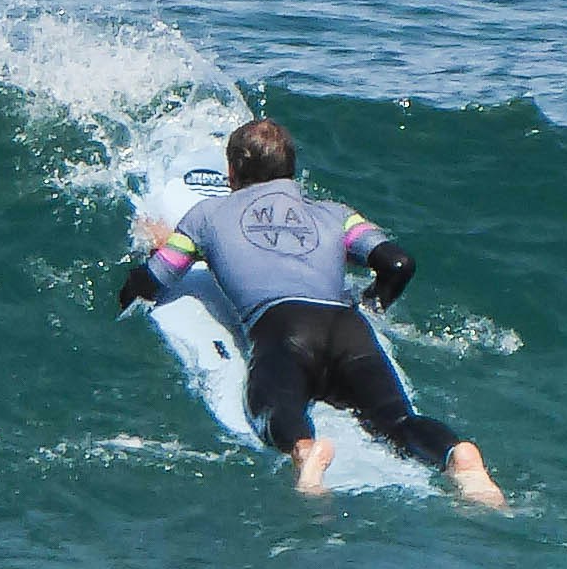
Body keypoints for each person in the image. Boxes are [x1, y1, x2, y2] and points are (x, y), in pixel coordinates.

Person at [117, 118, 506, 506]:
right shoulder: (337, 214)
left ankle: (306, 451)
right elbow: (398, 263)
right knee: (398, 423)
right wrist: (371, 307)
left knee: (274, 409)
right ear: (291, 170)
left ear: (231, 172)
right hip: (348, 327)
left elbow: (154, 279)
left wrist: (151, 248)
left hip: (282, 328)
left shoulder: (205, 217)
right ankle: (458, 456)